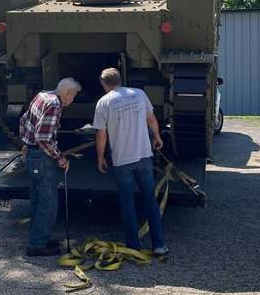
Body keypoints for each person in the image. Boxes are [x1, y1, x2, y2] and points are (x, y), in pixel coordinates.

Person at [93, 67, 168, 255]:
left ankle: (133, 246)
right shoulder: (139, 94)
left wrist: (100, 157)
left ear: (103, 84)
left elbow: (101, 135)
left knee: (128, 203)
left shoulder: (104, 102)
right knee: (150, 201)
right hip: (143, 156)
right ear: (120, 79)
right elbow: (151, 119)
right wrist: (157, 137)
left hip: (121, 161)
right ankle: (159, 245)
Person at [19, 77, 81, 256]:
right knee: (48, 202)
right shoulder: (55, 104)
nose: (73, 100)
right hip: (42, 158)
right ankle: (37, 245)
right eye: (74, 96)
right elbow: (44, 138)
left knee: (37, 199)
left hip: (32, 156)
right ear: (67, 93)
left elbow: (24, 120)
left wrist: (24, 143)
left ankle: (38, 237)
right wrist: (60, 158)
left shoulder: (42, 95)